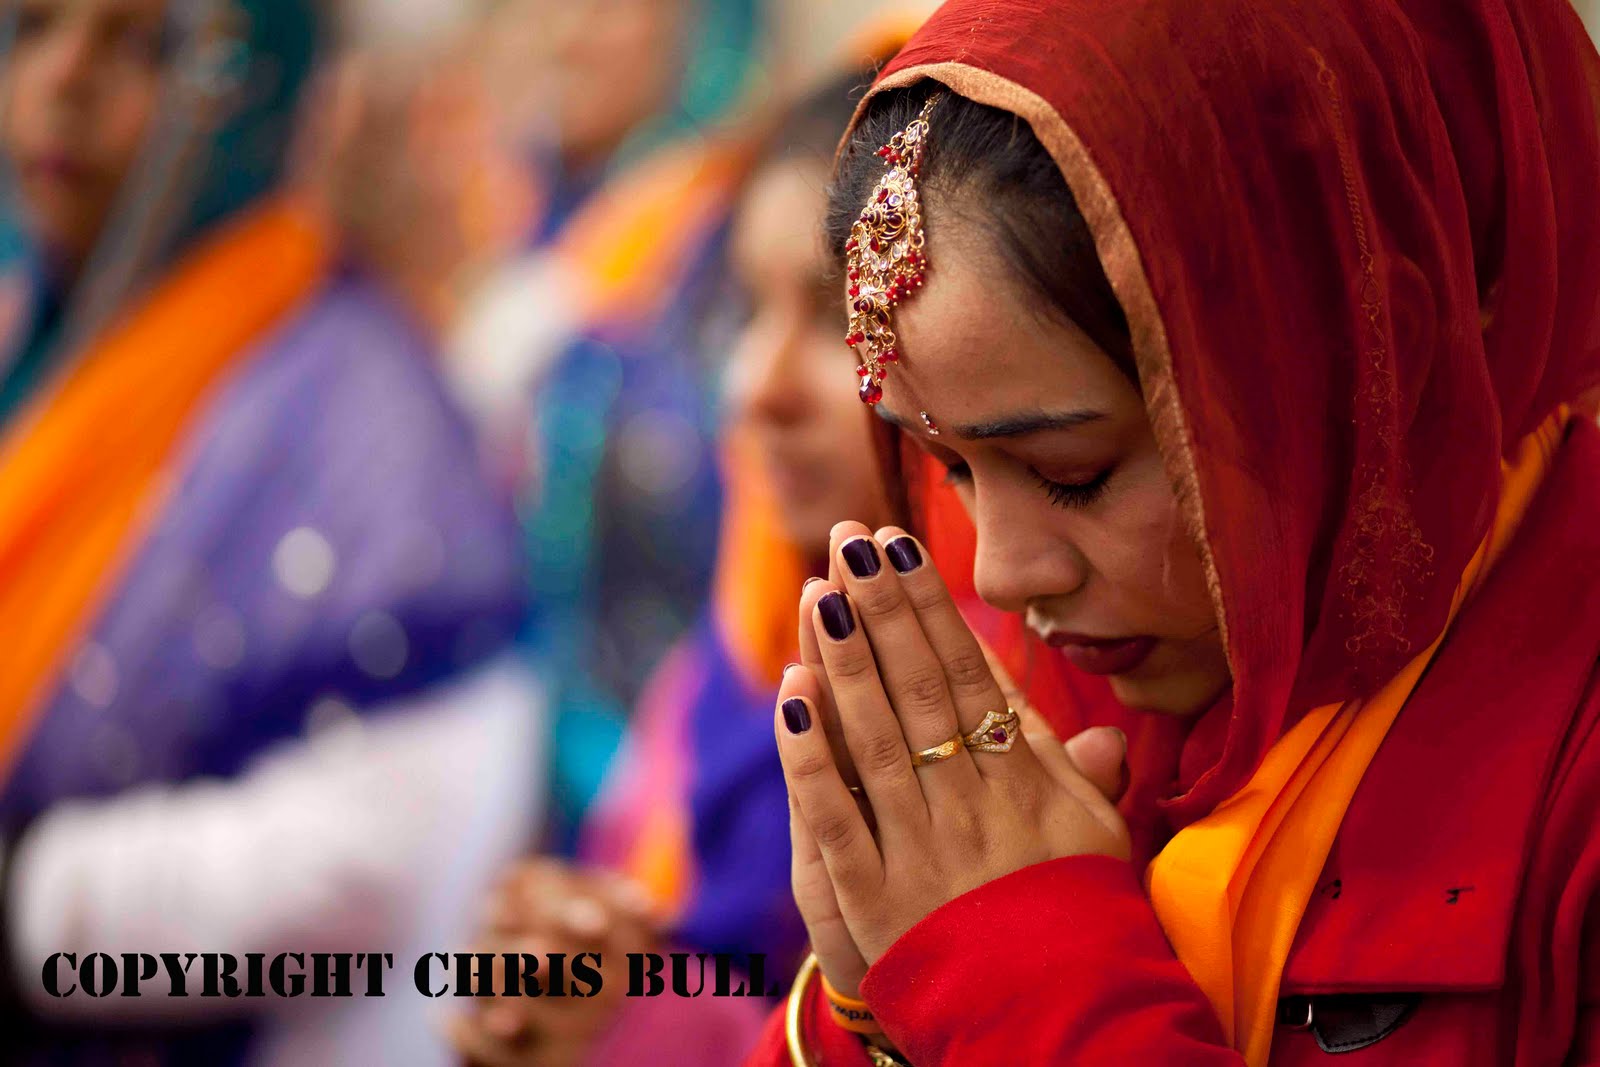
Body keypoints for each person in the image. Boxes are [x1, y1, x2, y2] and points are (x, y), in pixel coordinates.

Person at [747, 0, 1600, 1064]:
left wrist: (1024, 980)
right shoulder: (1084, 691)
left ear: (1373, 358)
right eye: (951, 465)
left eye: (1073, 472)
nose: (1004, 572)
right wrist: (869, 1008)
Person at [0, 2, 539, 1064]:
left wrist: (33, 901)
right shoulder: (42, 332)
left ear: (262, 85)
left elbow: (363, 859)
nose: (63, 81)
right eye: (33, 27)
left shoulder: (350, 403)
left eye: (138, 44)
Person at [446, 60, 904, 1067]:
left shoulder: (1029, 693)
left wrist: (638, 1023)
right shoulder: (736, 651)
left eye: (835, 315)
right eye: (747, 307)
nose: (756, 385)